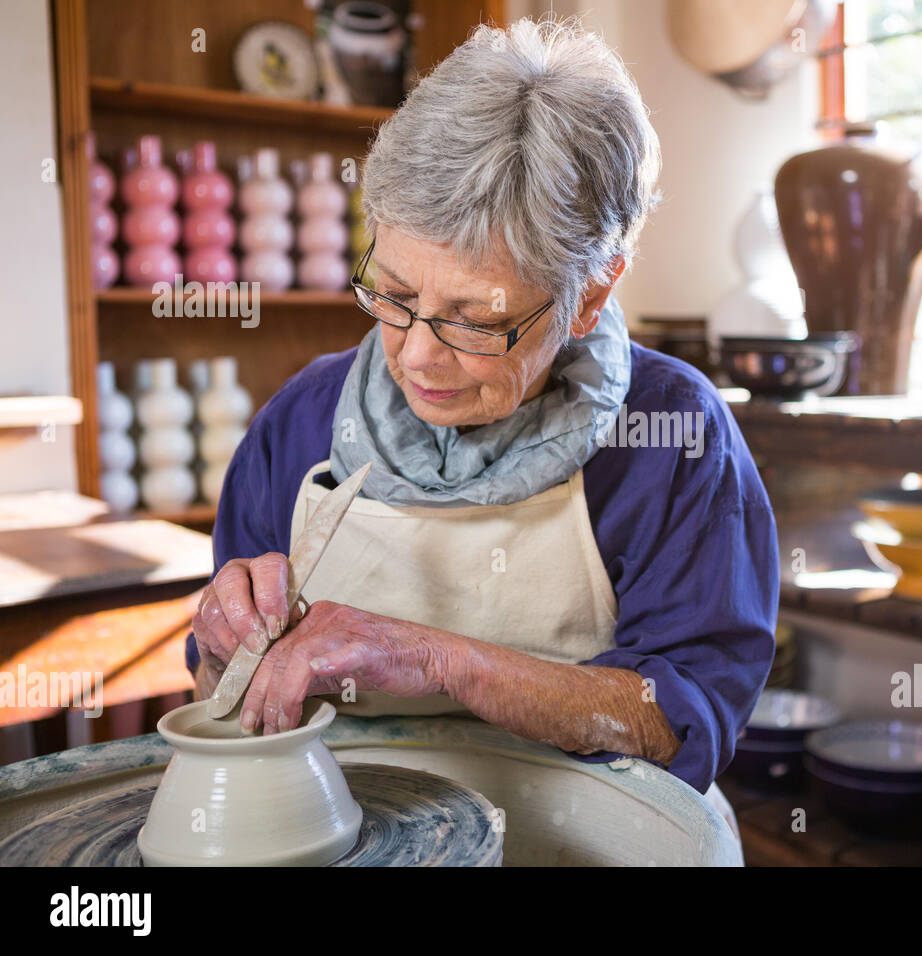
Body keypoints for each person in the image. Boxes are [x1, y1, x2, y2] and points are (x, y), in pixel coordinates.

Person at [186, 17, 778, 831]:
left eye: (473, 320)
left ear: (593, 295)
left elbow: (684, 721)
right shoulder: (301, 420)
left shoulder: (671, 436)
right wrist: (223, 644)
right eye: (394, 295)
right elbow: (217, 697)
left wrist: (441, 661)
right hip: (346, 830)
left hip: (586, 838)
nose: (418, 359)